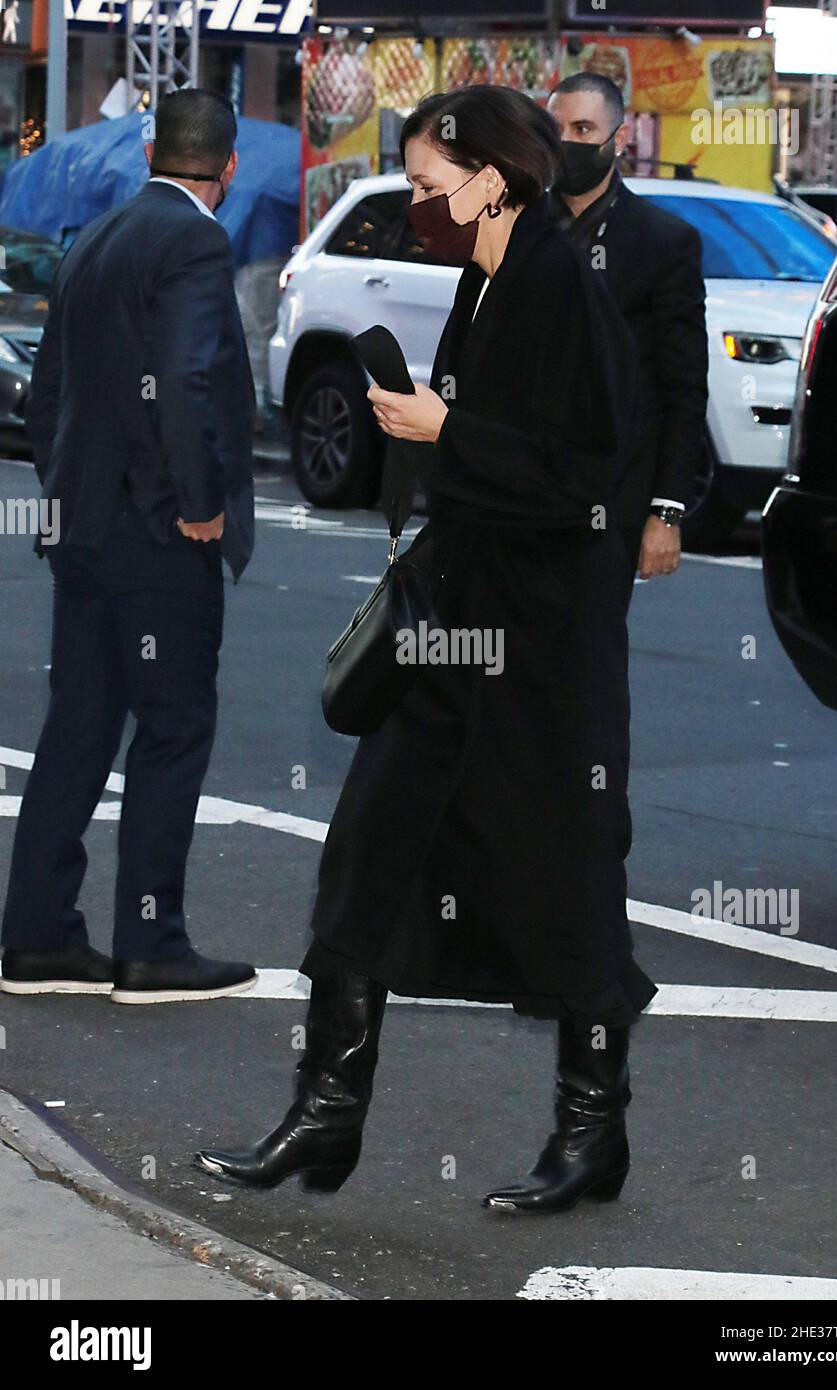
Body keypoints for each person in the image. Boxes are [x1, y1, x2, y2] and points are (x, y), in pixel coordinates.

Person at [196, 85, 655, 1215]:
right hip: (454, 637)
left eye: (431, 186)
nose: (417, 206)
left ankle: (592, 1130)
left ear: (496, 178)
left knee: (567, 894)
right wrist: (419, 422)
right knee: (368, 851)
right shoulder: (485, 281)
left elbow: (589, 475)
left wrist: (449, 430)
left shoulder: (559, 286)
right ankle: (325, 1111)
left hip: (540, 661)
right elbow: (478, 453)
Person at [0, 89, 257, 1005]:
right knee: (174, 728)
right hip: (157, 533)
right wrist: (199, 502)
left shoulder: (95, 238)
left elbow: (46, 394)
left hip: (84, 530)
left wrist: (66, 496)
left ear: (152, 150)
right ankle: (150, 945)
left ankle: (34, 936)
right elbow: (189, 378)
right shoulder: (194, 240)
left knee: (78, 727)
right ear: (227, 168)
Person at [548, 71, 709, 594]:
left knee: (588, 662)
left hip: (612, 497)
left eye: (582, 128)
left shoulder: (663, 243)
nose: (567, 143)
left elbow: (683, 385)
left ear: (619, 139)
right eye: (556, 130)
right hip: (519, 494)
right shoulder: (514, 227)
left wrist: (666, 510)